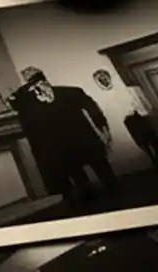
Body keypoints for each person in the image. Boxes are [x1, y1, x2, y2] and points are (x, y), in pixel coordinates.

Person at [7, 67, 120, 210]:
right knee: (77, 175)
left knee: (103, 170)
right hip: (63, 147)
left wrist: (103, 129)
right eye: (29, 81)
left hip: (85, 141)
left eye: (33, 79)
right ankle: (90, 199)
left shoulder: (71, 92)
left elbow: (93, 109)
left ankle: (115, 194)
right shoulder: (29, 103)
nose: (34, 84)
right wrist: (24, 88)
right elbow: (12, 102)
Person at [94, 73, 158, 183]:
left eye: (105, 78)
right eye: (100, 80)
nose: (104, 81)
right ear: (98, 84)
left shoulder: (128, 89)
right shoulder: (103, 100)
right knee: (146, 148)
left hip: (142, 118)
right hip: (130, 123)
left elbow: (145, 104)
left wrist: (147, 114)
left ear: (110, 78)